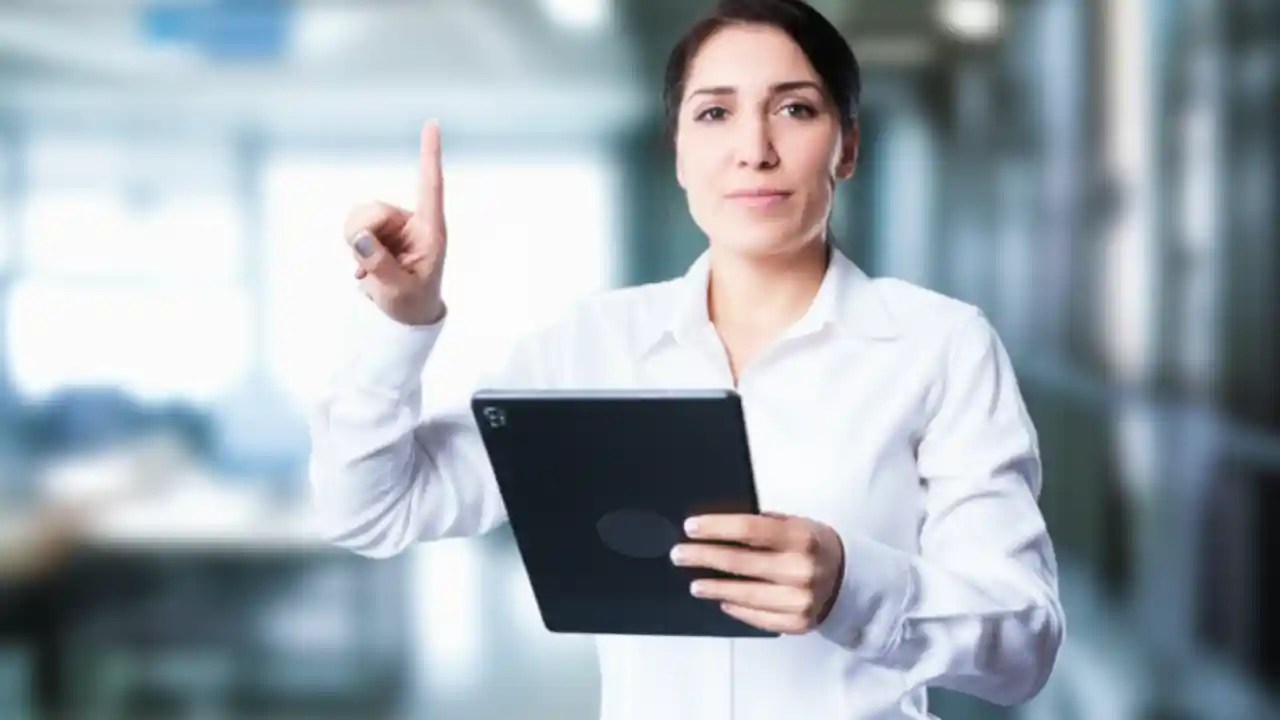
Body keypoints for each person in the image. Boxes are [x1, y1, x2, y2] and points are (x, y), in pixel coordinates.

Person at [308, 0, 1064, 717]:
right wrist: (400, 326)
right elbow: (370, 511)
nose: (754, 149)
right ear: (677, 154)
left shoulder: (940, 346)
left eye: (795, 108)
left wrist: (850, 586)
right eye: (714, 113)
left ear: (849, 147)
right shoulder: (590, 346)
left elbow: (1024, 644)